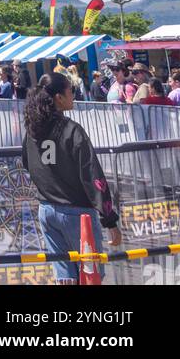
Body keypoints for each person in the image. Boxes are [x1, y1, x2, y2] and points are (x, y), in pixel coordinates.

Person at [21, 72, 121, 284]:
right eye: (71, 91)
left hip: (46, 209)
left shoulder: (32, 129)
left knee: (65, 277)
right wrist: (109, 218)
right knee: (90, 274)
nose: (73, 95)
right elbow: (92, 175)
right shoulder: (71, 129)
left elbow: (28, 164)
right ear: (59, 96)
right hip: (77, 213)